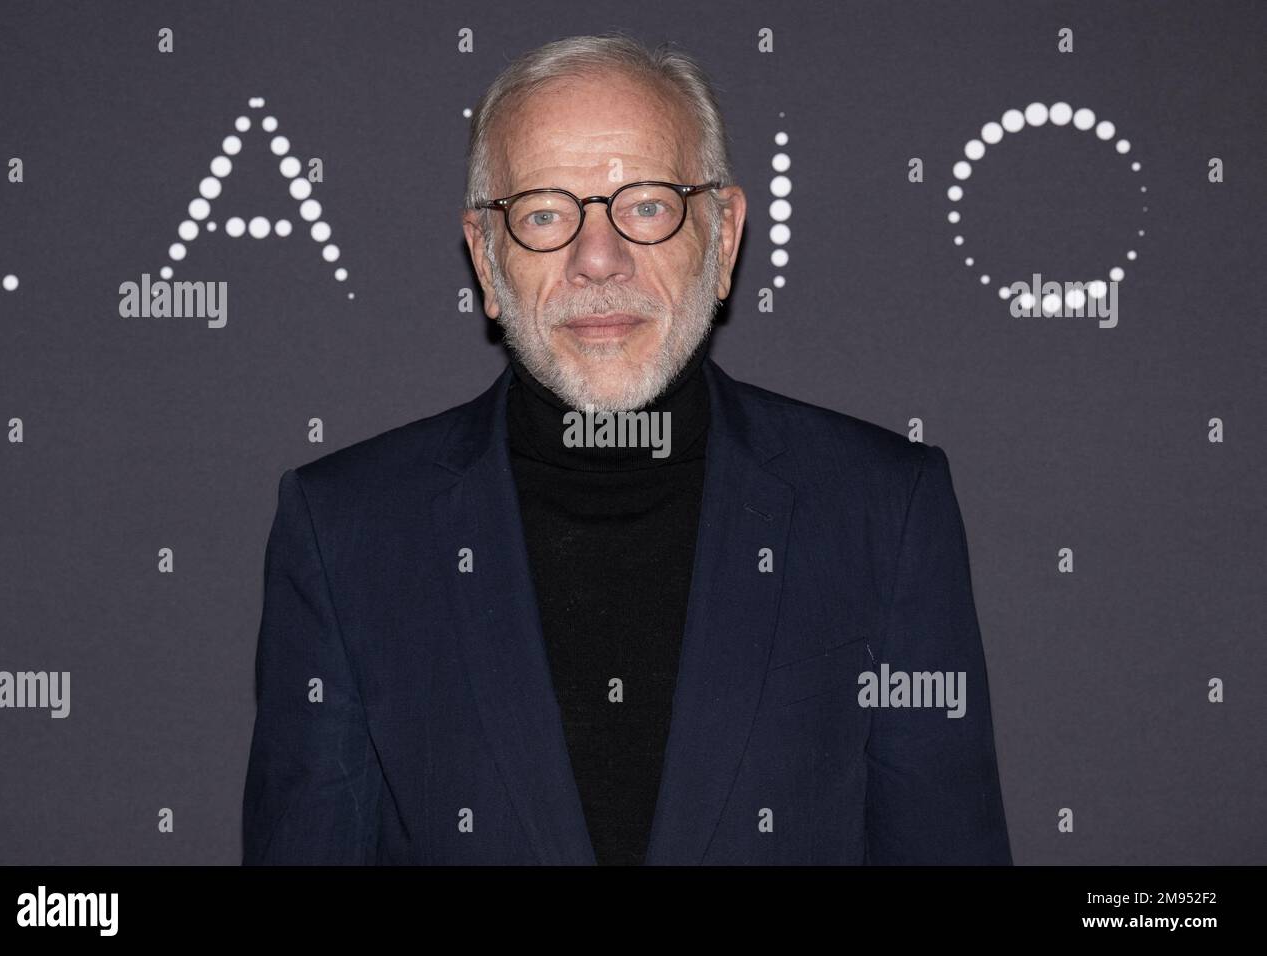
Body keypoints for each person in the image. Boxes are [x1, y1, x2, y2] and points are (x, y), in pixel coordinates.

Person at [241, 32, 1012, 865]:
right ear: (485, 258)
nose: (596, 259)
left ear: (722, 240)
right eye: (543, 213)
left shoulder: (881, 509)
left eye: (647, 205)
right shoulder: (346, 529)